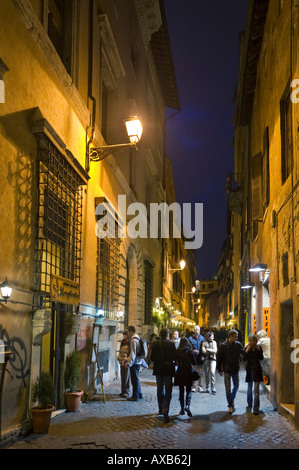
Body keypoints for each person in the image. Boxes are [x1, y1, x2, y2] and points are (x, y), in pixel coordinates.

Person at [150, 327, 177, 423]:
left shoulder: (155, 344)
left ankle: (160, 408)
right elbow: (175, 357)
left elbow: (152, 358)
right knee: (168, 390)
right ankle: (166, 409)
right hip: (168, 369)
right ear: (168, 335)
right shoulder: (171, 344)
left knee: (159, 388)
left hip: (158, 369)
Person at [216, 329, 244, 413]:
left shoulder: (238, 345)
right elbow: (219, 358)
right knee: (227, 388)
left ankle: (231, 398)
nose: (237, 338)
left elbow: (243, 353)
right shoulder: (223, 345)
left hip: (235, 368)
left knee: (236, 386)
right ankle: (230, 405)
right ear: (230, 337)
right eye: (235, 337)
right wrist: (219, 369)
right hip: (227, 369)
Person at [174, 337, 196, 417]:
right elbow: (194, 362)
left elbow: (175, 362)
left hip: (180, 372)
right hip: (188, 372)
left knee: (181, 391)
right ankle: (187, 406)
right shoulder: (190, 351)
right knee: (188, 390)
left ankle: (182, 409)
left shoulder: (178, 351)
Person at [243, 333, 264, 415]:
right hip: (249, 370)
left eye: (253, 340)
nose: (251, 342)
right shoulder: (247, 348)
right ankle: (249, 404)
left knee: (256, 390)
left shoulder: (259, 348)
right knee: (249, 388)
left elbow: (261, 358)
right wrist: (246, 351)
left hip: (257, 370)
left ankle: (256, 408)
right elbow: (243, 358)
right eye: (250, 340)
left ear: (256, 340)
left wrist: (259, 351)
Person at [124, 325, 143, 401]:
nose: (128, 334)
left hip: (135, 363)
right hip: (138, 362)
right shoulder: (138, 338)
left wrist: (129, 363)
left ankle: (135, 396)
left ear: (131, 331)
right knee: (136, 379)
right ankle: (139, 394)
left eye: (128, 332)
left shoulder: (133, 340)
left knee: (134, 380)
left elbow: (133, 353)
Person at [188, 325, 205, 392]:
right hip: (193, 358)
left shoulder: (202, 338)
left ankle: (200, 386)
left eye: (199, 330)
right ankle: (193, 386)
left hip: (200, 358)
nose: (198, 331)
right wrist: (193, 350)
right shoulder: (190, 338)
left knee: (200, 373)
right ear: (194, 330)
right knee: (193, 372)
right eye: (196, 330)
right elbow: (188, 348)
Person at [117, 330, 131, 397]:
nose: (124, 336)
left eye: (125, 334)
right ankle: (123, 391)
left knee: (126, 377)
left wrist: (127, 360)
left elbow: (130, 352)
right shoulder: (123, 342)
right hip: (121, 361)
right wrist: (119, 358)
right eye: (124, 334)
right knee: (123, 376)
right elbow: (120, 350)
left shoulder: (130, 342)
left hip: (126, 362)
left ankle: (126, 391)